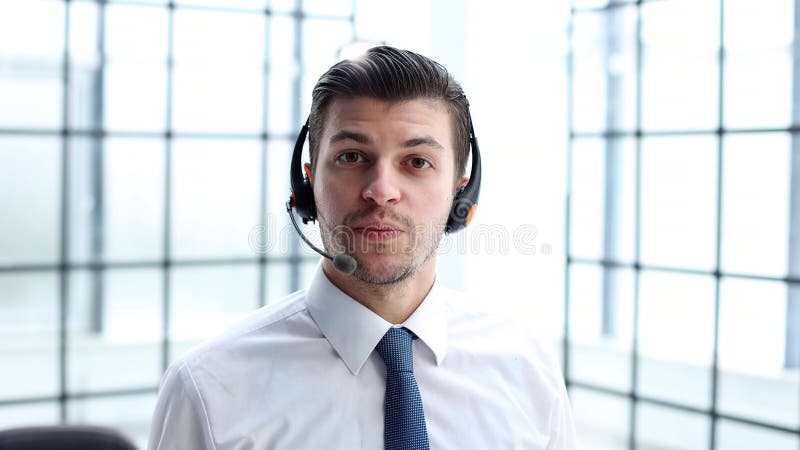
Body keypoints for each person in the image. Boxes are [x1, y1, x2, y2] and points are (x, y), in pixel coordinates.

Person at [148, 46, 579, 450]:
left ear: (461, 193)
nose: (381, 190)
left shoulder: (528, 369)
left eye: (417, 162)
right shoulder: (207, 390)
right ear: (307, 185)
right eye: (352, 157)